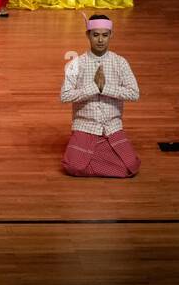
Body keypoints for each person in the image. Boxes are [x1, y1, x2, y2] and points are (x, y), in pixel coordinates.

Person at [60, 14, 141, 177]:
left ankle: (91, 157)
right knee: (73, 167)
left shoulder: (120, 62)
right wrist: (93, 87)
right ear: (88, 35)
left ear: (111, 35)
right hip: (85, 125)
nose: (100, 40)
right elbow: (65, 96)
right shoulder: (76, 63)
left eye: (105, 35)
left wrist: (105, 88)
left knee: (131, 167)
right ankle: (96, 156)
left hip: (112, 127)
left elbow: (134, 93)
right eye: (95, 35)